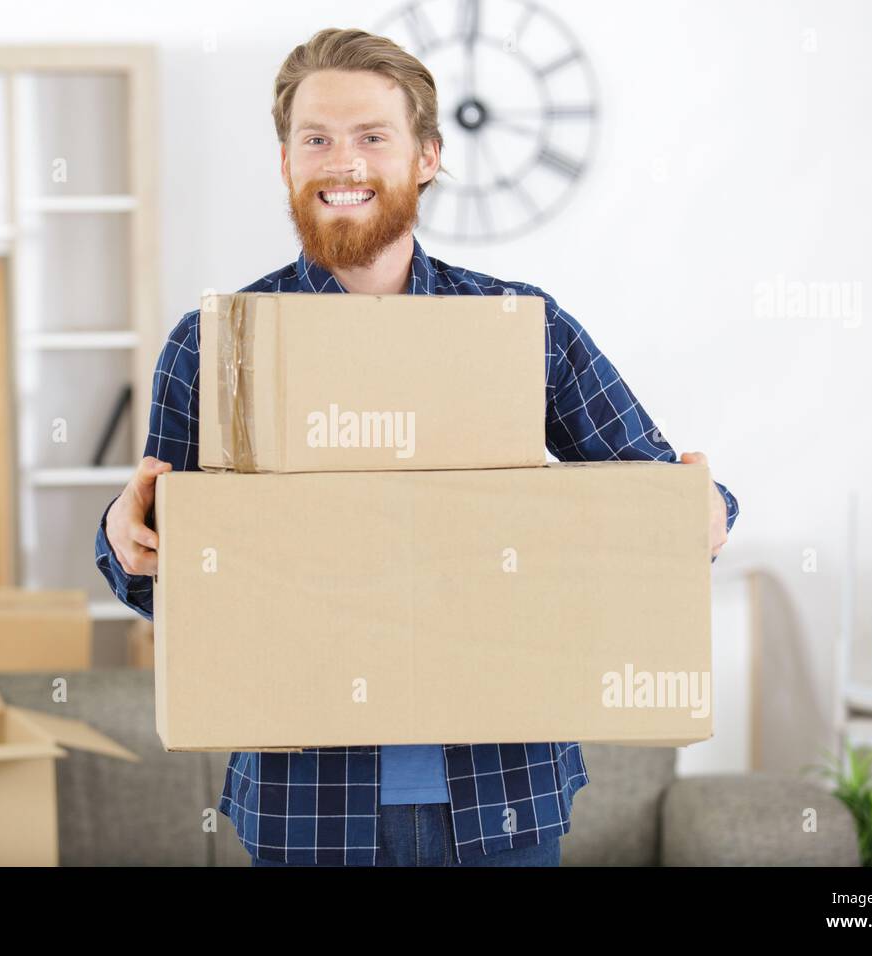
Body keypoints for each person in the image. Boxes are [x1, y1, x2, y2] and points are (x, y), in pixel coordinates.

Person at [96, 27, 738, 867]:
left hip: (499, 799)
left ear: (427, 157)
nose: (343, 163)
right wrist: (126, 543)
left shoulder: (518, 328)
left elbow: (661, 497)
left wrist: (700, 513)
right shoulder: (217, 346)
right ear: (286, 162)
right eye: (315, 139)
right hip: (307, 809)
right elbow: (176, 589)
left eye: (373, 137)